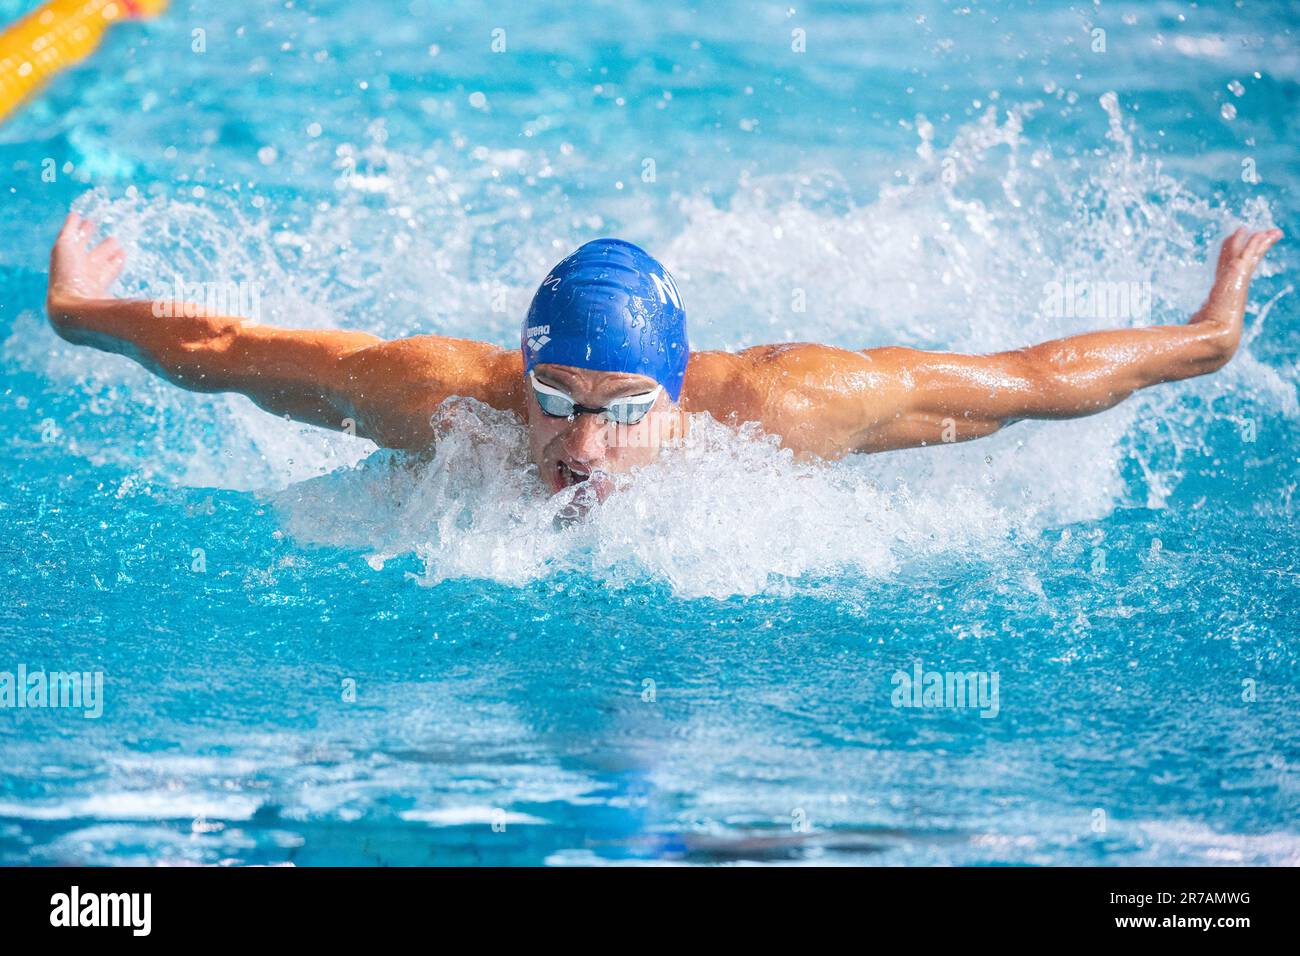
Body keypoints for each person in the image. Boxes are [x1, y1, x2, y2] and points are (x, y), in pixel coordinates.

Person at [45, 211, 1282, 495]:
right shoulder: (438, 400)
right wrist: (78, 313)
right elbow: (228, 349)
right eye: (553, 399)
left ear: (679, 394)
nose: (582, 449)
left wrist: (1204, 335)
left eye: (626, 409)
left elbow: (1027, 379)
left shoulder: (785, 406)